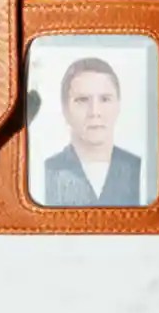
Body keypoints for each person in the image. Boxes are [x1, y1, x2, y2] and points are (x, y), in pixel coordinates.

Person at [43, 57, 142, 206]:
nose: (95, 112)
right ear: (64, 109)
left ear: (118, 105)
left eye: (105, 99)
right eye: (82, 100)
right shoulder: (45, 173)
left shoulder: (139, 170)